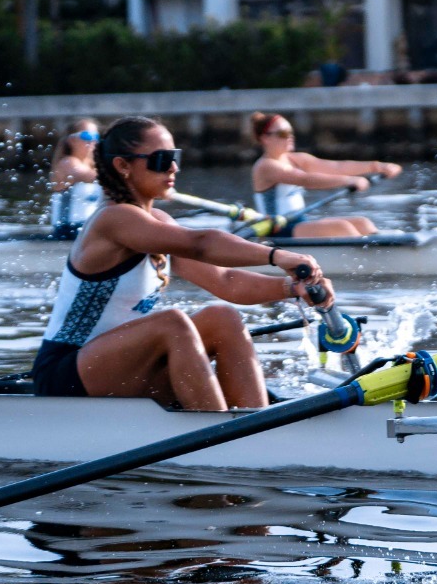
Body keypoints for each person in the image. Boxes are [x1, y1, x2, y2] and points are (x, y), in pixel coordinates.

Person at [30, 116, 340, 410]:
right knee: (173, 323)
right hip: (66, 373)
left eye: (175, 156)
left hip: (124, 362)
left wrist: (292, 287)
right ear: (123, 165)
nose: (174, 167)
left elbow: (225, 282)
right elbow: (201, 244)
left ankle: (255, 423)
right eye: (161, 159)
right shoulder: (113, 219)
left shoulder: (158, 222)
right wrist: (275, 255)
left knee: (223, 318)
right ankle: (221, 434)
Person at [249, 111, 401, 238]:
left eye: (290, 132)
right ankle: (368, 260)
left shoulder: (296, 159)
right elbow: (305, 180)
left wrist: (377, 166)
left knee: (362, 222)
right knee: (342, 227)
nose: (289, 136)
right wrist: (349, 181)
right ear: (265, 138)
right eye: (283, 133)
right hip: (278, 231)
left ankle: (385, 252)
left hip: (300, 223)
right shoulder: (265, 166)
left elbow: (337, 166)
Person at [48, 118, 103, 241]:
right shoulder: (67, 163)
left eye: (96, 136)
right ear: (71, 140)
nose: (92, 141)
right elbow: (93, 177)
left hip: (88, 228)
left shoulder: (93, 166)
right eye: (87, 136)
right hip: (67, 230)